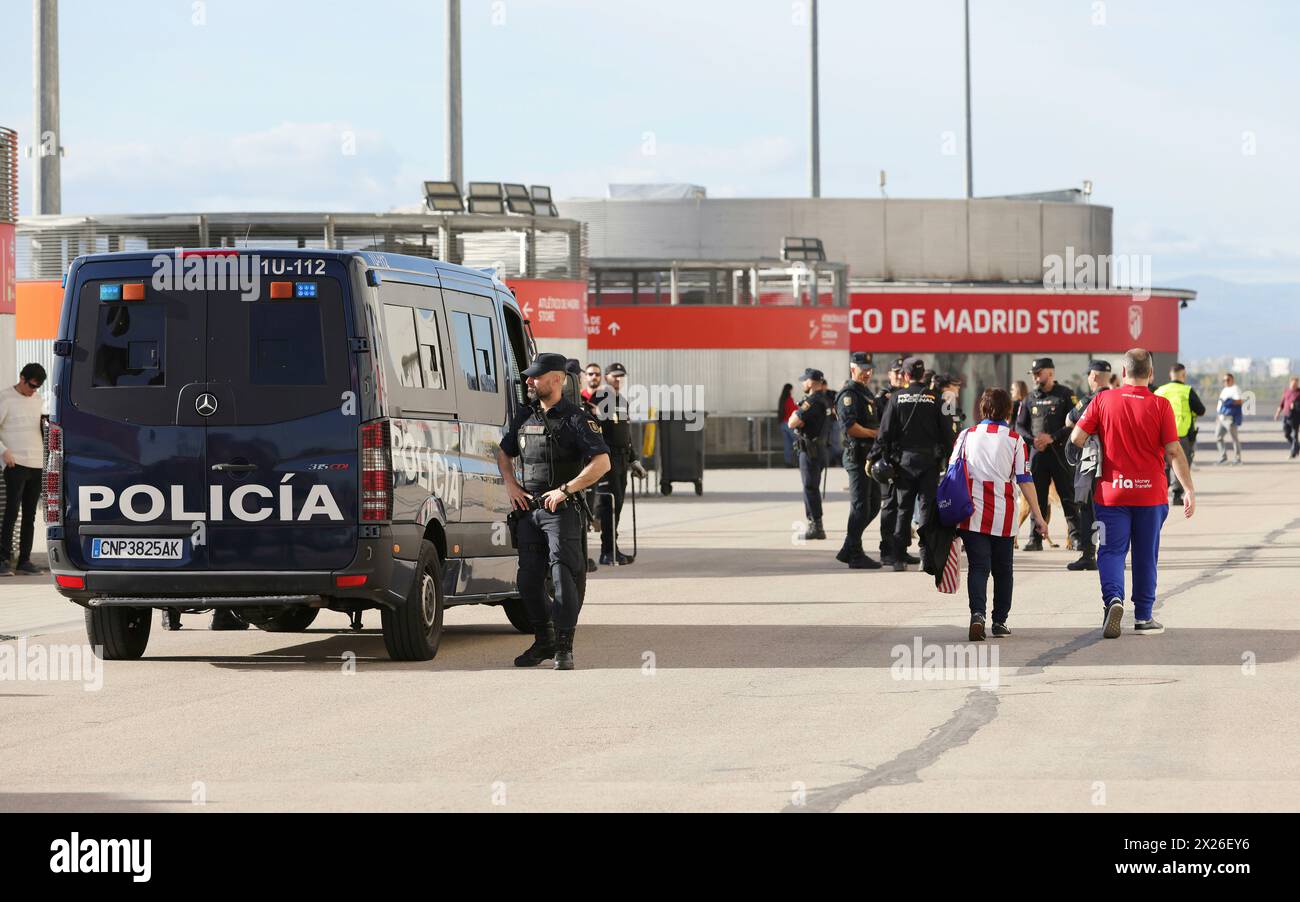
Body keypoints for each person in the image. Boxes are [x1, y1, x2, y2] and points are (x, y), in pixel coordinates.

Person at [496, 352, 611, 670]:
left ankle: (564, 646)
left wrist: (565, 490)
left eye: (536, 376)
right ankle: (543, 641)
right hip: (528, 509)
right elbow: (504, 453)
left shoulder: (577, 418)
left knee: (563, 575)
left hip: (562, 510)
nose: (529, 381)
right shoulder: (525, 415)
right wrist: (511, 485)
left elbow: (602, 463)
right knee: (528, 581)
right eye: (528, 376)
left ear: (557, 379)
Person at [1071, 348, 1195, 638]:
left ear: (1123, 373)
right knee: (1145, 555)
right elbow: (1174, 451)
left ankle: (1113, 599)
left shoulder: (1103, 399)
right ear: (1151, 374)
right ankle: (1143, 617)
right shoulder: (1161, 405)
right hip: (1150, 495)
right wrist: (1188, 489)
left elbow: (1076, 438)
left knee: (1111, 550)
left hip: (1111, 494)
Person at [952, 388, 1050, 640]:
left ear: (982, 410)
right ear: (1009, 411)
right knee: (1004, 570)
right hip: (1004, 516)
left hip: (971, 513)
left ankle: (977, 615)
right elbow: (1025, 480)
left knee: (978, 567)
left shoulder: (966, 435)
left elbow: (952, 472)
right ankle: (1000, 621)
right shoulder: (1015, 440)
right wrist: (1039, 516)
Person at [877, 356, 954, 571]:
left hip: (904, 462)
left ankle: (899, 557)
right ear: (922, 375)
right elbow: (947, 433)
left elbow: (884, 433)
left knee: (903, 508)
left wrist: (877, 456)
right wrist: (951, 460)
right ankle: (925, 557)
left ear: (906, 375)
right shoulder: (936, 398)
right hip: (929, 462)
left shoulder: (896, 398)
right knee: (927, 509)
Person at [1015, 357, 1079, 552]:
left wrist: (1053, 437)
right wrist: (1032, 440)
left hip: (1059, 454)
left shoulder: (1065, 395)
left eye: (1038, 373)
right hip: (1038, 456)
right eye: (1033, 374)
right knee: (1038, 498)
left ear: (1050, 373)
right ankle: (1035, 539)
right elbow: (1019, 425)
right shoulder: (1029, 398)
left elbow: (1075, 423)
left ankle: (1076, 537)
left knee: (1068, 496)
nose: (1035, 377)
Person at [1063, 360, 1113, 571]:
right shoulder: (1116, 399)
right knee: (1112, 510)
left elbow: (1069, 421)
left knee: (1088, 509)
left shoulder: (1088, 401)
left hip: (1091, 462)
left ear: (1093, 376)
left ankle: (1088, 555)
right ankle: (1111, 553)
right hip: (1113, 463)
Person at [834, 352, 882, 569]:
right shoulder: (849, 394)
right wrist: (875, 434)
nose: (867, 373)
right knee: (861, 506)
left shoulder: (865, 393)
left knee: (873, 505)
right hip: (856, 456)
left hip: (868, 457)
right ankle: (855, 554)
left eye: (869, 369)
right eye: (863, 369)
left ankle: (848, 546)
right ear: (853, 368)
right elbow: (850, 426)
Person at [0, 363, 48, 577]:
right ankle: (3, 559)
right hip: (15, 463)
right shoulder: (5, 398)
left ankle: (24, 561)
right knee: (11, 512)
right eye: (31, 385)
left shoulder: (37, 400)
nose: (33, 390)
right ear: (22, 378)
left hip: (36, 463)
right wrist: (4, 452)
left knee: (30, 515)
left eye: (37, 387)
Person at [590, 362, 635, 566]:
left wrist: (633, 459)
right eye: (614, 376)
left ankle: (613, 548)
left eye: (621, 377)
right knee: (609, 506)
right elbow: (593, 430)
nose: (618, 380)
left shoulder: (622, 401)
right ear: (606, 377)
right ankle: (607, 551)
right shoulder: (599, 399)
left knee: (618, 504)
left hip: (622, 459)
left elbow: (626, 434)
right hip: (607, 459)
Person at [874, 360, 915, 567]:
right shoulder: (883, 398)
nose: (899, 376)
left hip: (906, 459)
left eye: (902, 373)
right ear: (889, 374)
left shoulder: (911, 396)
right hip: (890, 458)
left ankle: (901, 548)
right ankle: (886, 549)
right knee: (890, 504)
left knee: (904, 506)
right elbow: (881, 429)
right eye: (895, 372)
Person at [788, 368, 831, 540]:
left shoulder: (812, 401)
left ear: (811, 382)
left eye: (804, 380)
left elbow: (792, 422)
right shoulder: (826, 400)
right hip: (820, 450)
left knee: (810, 488)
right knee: (813, 487)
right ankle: (816, 524)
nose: (803, 383)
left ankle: (816, 526)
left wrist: (795, 413)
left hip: (810, 450)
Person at [1154, 363, 1206, 504]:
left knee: (1163, 466)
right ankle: (1177, 495)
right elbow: (1201, 410)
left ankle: (1161, 494)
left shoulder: (1159, 391)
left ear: (1170, 375)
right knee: (1181, 464)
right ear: (1183, 375)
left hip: (1160, 436)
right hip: (1181, 435)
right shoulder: (1187, 390)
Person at [1216, 373, 1244, 465]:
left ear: (1232, 380)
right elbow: (1221, 404)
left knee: (1234, 438)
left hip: (1229, 418)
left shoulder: (1235, 389)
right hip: (1221, 417)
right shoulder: (1224, 390)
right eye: (1224, 380)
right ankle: (1223, 457)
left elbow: (1240, 401)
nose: (1226, 382)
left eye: (1228, 380)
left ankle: (1238, 458)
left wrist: (1230, 402)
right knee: (1218, 437)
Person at [1274, 376, 1300, 451]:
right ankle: (1297, 447)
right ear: (1290, 383)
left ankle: (1293, 452)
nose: (1294, 386)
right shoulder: (1287, 391)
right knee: (1286, 434)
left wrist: (1295, 406)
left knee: (1295, 435)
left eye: (1295, 384)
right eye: (1292, 384)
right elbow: (1282, 403)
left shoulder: (1299, 392)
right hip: (1286, 415)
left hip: (1296, 417)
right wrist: (1277, 413)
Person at [777, 383, 798, 467]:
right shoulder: (789, 400)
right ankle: (799, 460)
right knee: (797, 443)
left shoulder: (782, 399)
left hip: (783, 424)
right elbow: (794, 410)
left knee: (787, 444)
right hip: (789, 424)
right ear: (790, 390)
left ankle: (787, 462)